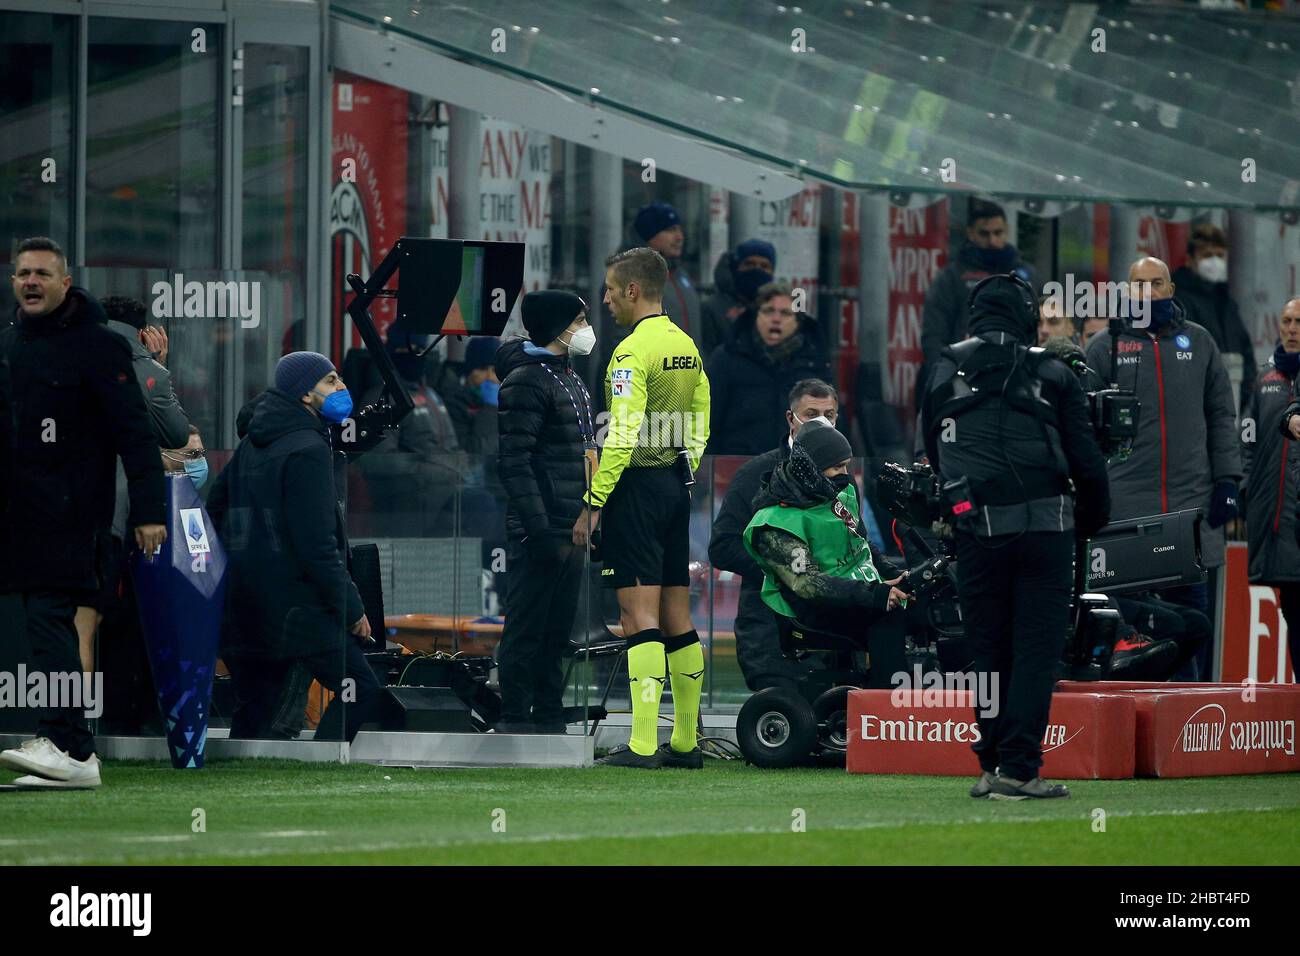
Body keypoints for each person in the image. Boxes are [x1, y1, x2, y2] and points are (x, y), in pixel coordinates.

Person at [923, 272, 1110, 800]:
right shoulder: (1053, 371)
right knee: (1034, 652)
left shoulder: (943, 365)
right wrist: (1090, 522)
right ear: (1027, 317)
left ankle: (991, 764)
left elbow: (934, 452)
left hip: (976, 531)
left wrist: (961, 507)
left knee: (986, 651)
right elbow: (1088, 463)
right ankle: (1020, 769)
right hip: (1046, 532)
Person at [0, 237, 168, 790]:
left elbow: (136, 435)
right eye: (23, 272)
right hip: (20, 518)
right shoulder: (9, 346)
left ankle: (70, 746)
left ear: (64, 283)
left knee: (52, 624)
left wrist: (148, 511)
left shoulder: (97, 347)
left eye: (42, 274)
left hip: (74, 519)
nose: (30, 281)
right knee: (44, 627)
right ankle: (71, 751)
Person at [572, 247, 710, 768]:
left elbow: (624, 434)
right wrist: (684, 472)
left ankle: (643, 744)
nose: (604, 299)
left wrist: (594, 500)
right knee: (678, 614)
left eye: (609, 288)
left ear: (633, 290)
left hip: (635, 490)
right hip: (675, 484)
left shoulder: (630, 353)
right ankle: (685, 743)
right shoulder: (685, 346)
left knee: (637, 617)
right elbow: (700, 419)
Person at [205, 352, 380, 743]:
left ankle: (242, 783)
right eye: (331, 381)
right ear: (305, 395)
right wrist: (352, 609)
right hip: (299, 605)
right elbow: (317, 544)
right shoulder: (308, 449)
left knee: (255, 709)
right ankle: (324, 761)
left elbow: (214, 509)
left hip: (248, 602)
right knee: (361, 687)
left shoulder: (253, 443)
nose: (342, 388)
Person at [1085, 256, 1242, 680]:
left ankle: (1190, 719)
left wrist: (1228, 480)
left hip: (1190, 513)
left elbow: (1222, 416)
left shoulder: (1201, 342)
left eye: (1157, 283)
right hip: (1126, 517)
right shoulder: (1105, 347)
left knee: (1195, 625)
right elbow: (1082, 428)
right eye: (1139, 284)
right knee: (1139, 635)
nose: (1148, 292)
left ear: (1171, 290)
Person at [742, 419, 910, 687]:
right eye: (837, 467)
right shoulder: (775, 523)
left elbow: (862, 546)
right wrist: (876, 594)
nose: (846, 474)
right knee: (889, 618)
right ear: (812, 468)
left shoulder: (838, 494)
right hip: (815, 609)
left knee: (929, 609)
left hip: (860, 593)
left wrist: (897, 576)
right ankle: (890, 707)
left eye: (847, 465)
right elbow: (808, 584)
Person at [495, 292, 595, 732]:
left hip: (571, 527)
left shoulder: (570, 376)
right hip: (544, 529)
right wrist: (537, 530)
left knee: (556, 632)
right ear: (557, 327)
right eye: (579, 319)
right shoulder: (526, 380)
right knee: (526, 629)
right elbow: (515, 462)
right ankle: (516, 719)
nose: (586, 326)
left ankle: (550, 717)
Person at [79, 296, 190, 675]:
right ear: (144, 333)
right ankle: (84, 721)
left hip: (58, 507)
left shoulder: (71, 352)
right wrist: (156, 367)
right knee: (96, 619)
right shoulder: (142, 367)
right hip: (113, 514)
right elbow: (175, 433)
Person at [709, 379, 844, 690]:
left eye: (830, 414)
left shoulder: (843, 478)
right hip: (769, 630)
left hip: (833, 631)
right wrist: (784, 567)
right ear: (790, 418)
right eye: (811, 414)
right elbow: (723, 546)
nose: (822, 422)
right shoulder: (756, 474)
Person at [918, 200, 1038, 398]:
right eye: (984, 234)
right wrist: (947, 379)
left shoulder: (1025, 276)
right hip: (964, 377)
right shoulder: (952, 277)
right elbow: (934, 336)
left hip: (1017, 377)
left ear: (1007, 231)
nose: (992, 240)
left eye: (998, 233)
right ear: (970, 233)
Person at [705, 281, 833, 456]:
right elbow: (706, 421)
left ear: (798, 322)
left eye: (785, 313)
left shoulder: (815, 362)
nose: (776, 319)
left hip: (798, 470)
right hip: (737, 468)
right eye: (768, 311)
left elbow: (832, 424)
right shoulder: (726, 359)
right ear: (756, 316)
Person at [1248, 297, 1300, 679]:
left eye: (1299, 321)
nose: (1292, 328)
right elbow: (1247, 444)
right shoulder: (1265, 378)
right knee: (1293, 614)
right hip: (1276, 518)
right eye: (1286, 320)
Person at [1172, 223, 1255, 411]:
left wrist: (1244, 396)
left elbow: (1245, 350)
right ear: (1190, 259)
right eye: (1207, 255)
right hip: (1199, 403)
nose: (1215, 262)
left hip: (1232, 402)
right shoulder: (1178, 300)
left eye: (1219, 255)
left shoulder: (1226, 300)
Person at [630, 201, 700, 342]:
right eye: (670, 230)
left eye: (680, 230)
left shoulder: (680, 275)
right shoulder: (629, 277)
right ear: (650, 235)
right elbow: (617, 338)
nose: (680, 237)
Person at [701, 238, 777, 355]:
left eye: (764, 266)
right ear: (736, 268)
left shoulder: (779, 310)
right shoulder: (712, 308)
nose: (757, 270)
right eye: (749, 264)